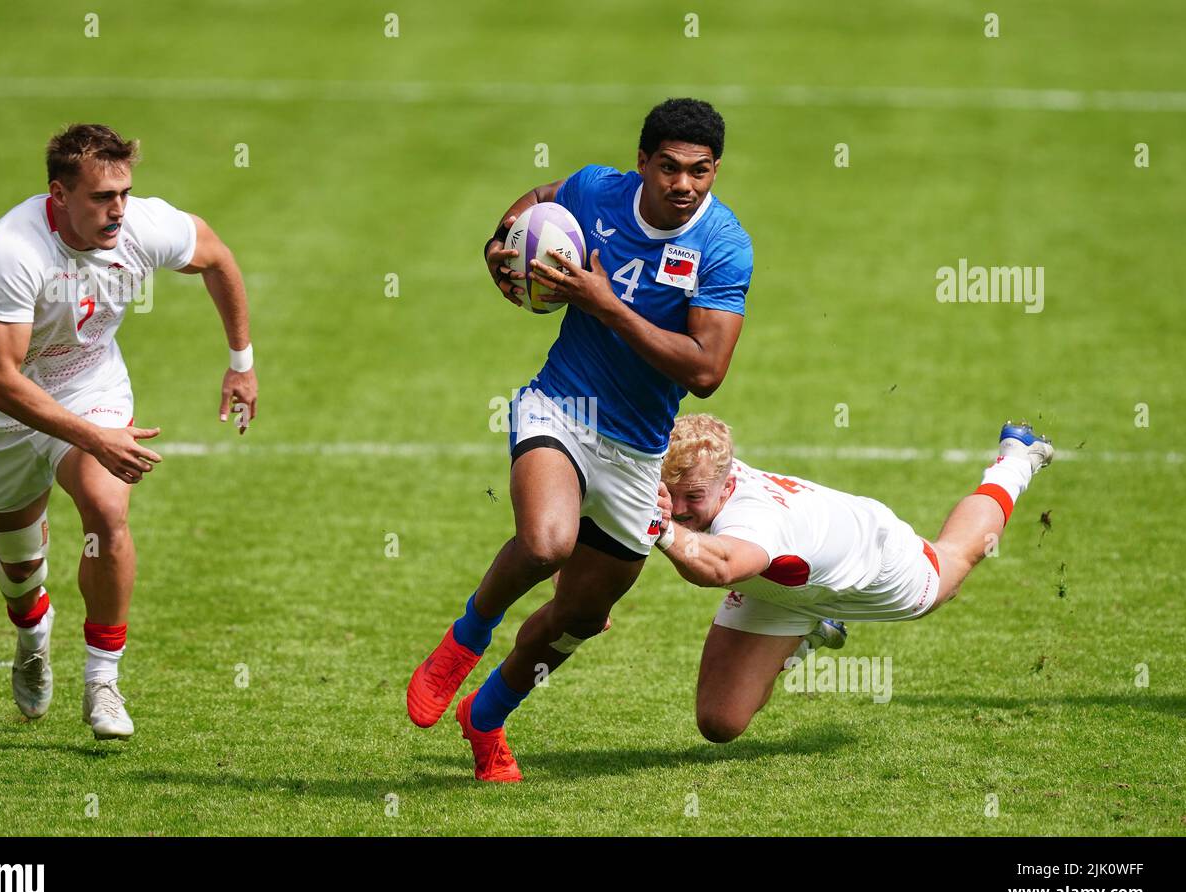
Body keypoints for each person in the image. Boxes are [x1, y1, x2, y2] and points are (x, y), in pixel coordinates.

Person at [406, 98, 754, 781]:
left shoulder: (722, 244)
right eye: (669, 168)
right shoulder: (599, 190)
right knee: (546, 542)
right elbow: (540, 196)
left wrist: (606, 306)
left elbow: (707, 370)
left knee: (579, 618)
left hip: (637, 449)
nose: (684, 185)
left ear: (715, 172)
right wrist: (500, 243)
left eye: (700, 171)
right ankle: (462, 641)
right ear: (642, 164)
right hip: (561, 406)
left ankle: (487, 716)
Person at [0, 123, 258, 740]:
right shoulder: (14, 248)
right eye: (100, 197)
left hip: (91, 388)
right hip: (7, 412)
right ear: (59, 195)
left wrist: (241, 363)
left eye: (123, 192)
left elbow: (217, 256)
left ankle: (102, 681)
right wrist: (94, 439)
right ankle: (33, 632)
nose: (117, 208)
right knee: (19, 566)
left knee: (106, 510)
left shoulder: (142, 225)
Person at [652, 413, 1053, 744]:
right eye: (673, 494)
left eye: (695, 497)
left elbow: (719, 569)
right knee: (720, 723)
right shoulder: (691, 470)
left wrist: (662, 528)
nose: (682, 507)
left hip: (875, 567)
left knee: (958, 556)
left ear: (729, 484)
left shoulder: (754, 519)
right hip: (782, 585)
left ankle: (1016, 460)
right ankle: (815, 628)